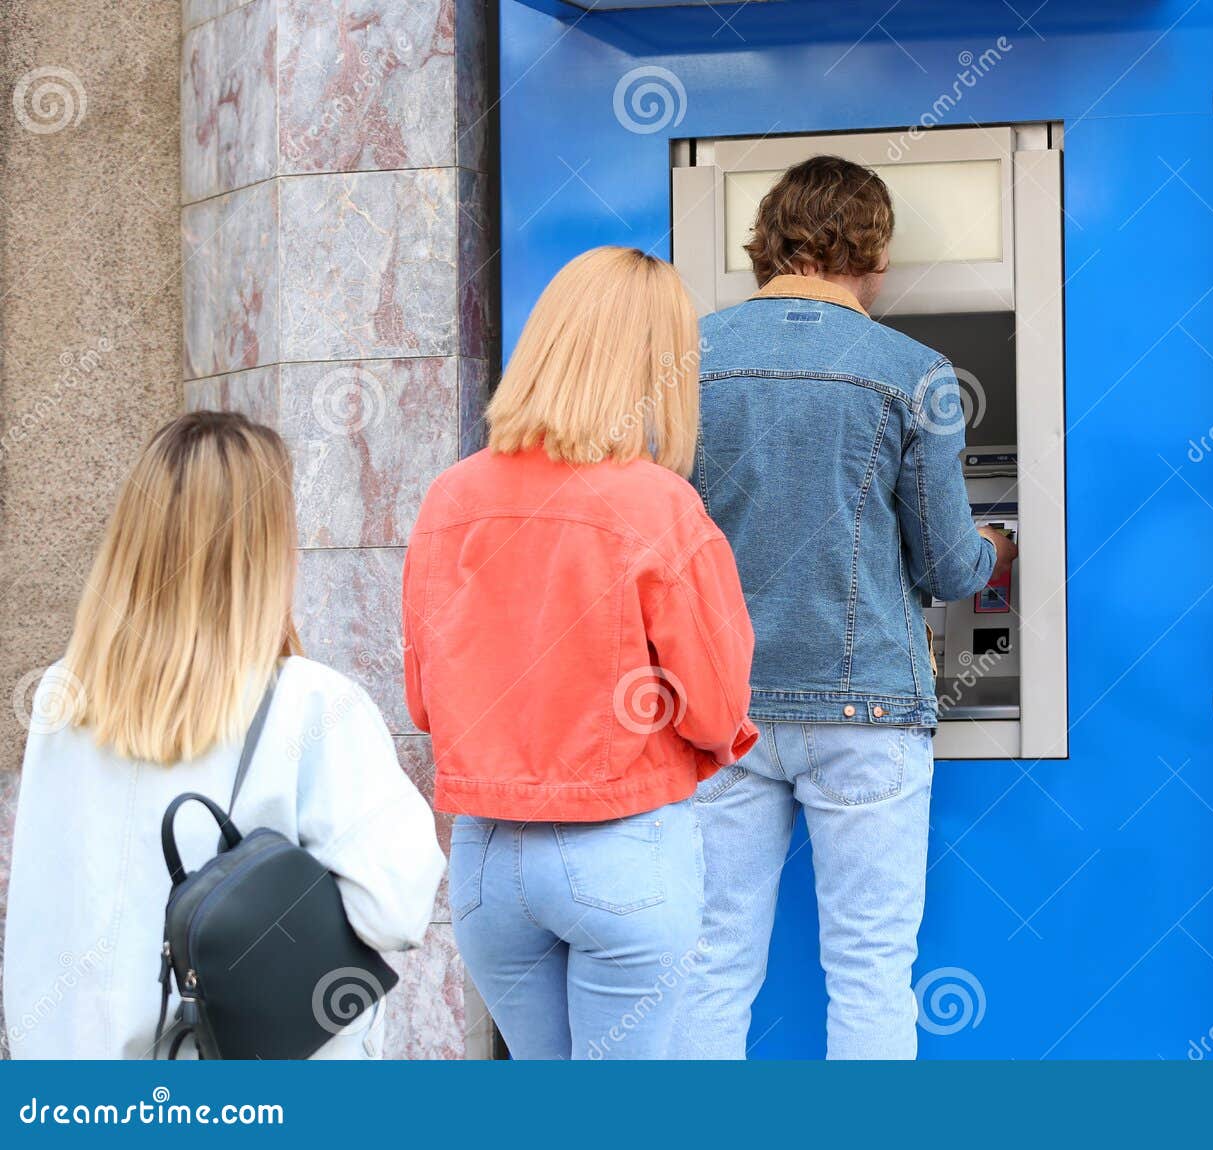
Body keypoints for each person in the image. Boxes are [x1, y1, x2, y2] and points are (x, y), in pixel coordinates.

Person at [672, 156, 1019, 1060]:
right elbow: (948, 569)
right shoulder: (915, 372)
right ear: (872, 248)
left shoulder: (687, 362)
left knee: (711, 965)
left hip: (725, 713)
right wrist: (999, 551)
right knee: (869, 971)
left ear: (769, 241)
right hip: (866, 706)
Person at [403, 246, 758, 1060]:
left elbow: (427, 700)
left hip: (488, 861)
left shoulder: (451, 497)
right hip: (622, 847)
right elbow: (715, 707)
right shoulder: (660, 503)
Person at [2, 411, 443, 1060]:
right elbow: (394, 908)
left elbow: (44, 909)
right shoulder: (313, 705)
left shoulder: (63, 699)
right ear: (265, 551)